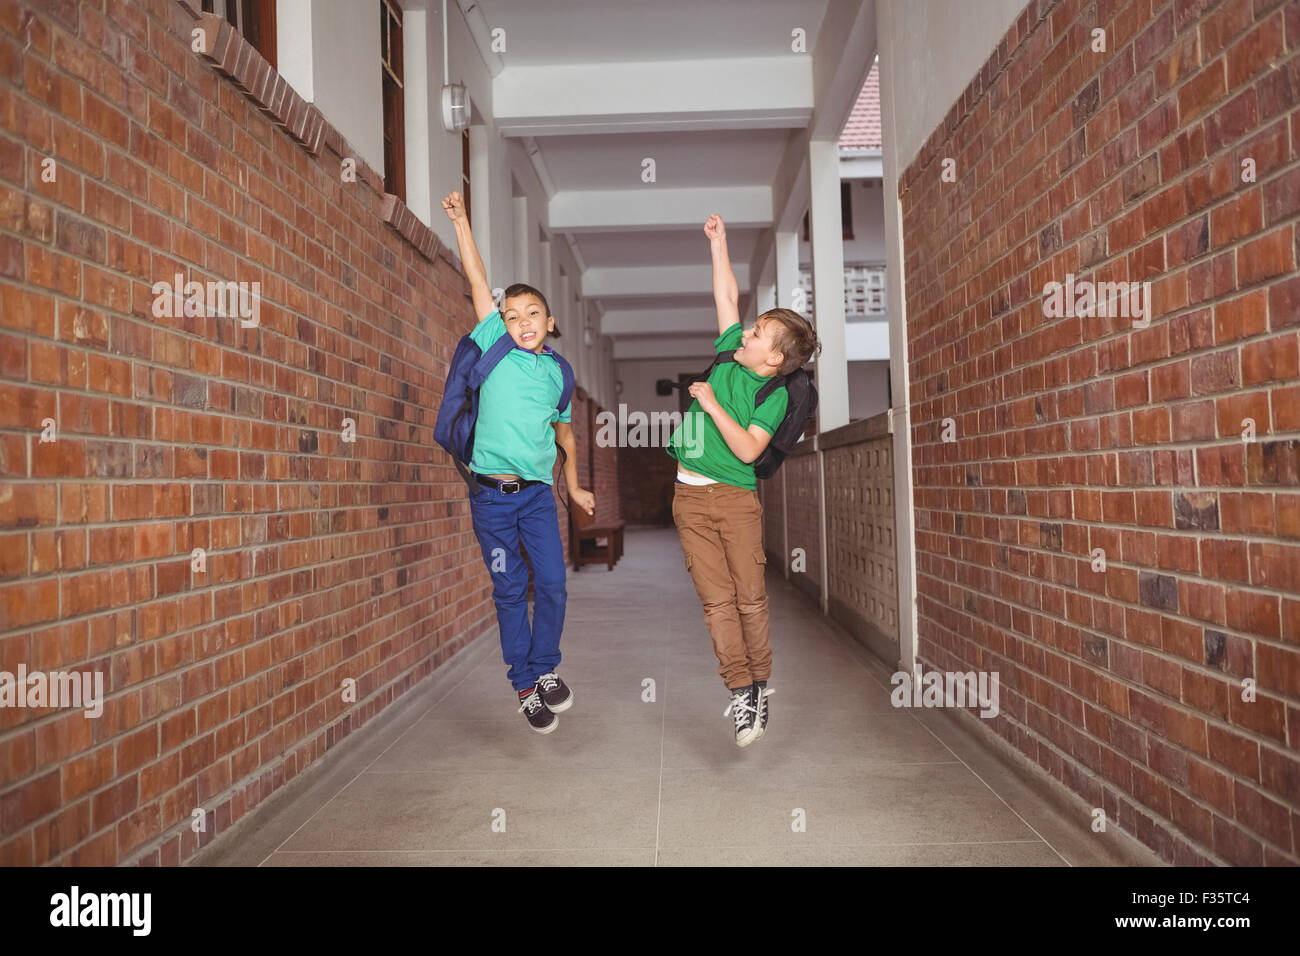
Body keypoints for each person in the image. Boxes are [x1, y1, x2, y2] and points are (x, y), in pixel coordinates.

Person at [441, 191, 596, 734]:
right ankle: (525, 686)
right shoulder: (495, 349)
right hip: (490, 498)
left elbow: (565, 437)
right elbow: (479, 283)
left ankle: (546, 669)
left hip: (534, 496)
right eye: (512, 315)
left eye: (533, 313)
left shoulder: (559, 373)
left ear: (550, 321)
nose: (522, 320)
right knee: (510, 590)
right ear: (500, 324)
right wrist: (462, 220)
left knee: (551, 583)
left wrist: (573, 489)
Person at [666, 213, 820, 747]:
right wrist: (719, 244)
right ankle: (739, 692)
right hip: (689, 498)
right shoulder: (730, 353)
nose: (745, 333)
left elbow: (751, 449)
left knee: (749, 599)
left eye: (756, 334)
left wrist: (708, 402)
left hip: (734, 501)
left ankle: (759, 685)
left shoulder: (772, 395)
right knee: (715, 602)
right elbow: (726, 296)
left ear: (773, 358)